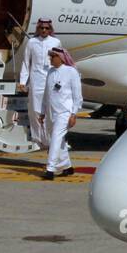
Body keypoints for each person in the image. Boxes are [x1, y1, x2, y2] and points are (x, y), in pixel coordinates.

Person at [17, 18, 60, 144]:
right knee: (35, 110)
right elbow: (26, 62)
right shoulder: (31, 42)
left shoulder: (56, 42)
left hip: (51, 80)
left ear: (50, 29)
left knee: (49, 111)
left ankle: (48, 139)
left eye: (47, 28)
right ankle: (37, 137)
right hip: (36, 80)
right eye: (42, 28)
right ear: (38, 29)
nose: (44, 30)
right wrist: (22, 82)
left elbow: (60, 62)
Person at [42, 46, 82, 179]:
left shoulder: (71, 72)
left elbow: (78, 96)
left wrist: (74, 114)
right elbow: (46, 94)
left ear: (61, 58)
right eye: (50, 56)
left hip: (65, 112)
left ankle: (50, 169)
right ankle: (67, 167)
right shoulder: (50, 72)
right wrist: (42, 111)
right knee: (60, 141)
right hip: (51, 112)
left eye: (53, 56)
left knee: (55, 139)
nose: (51, 58)